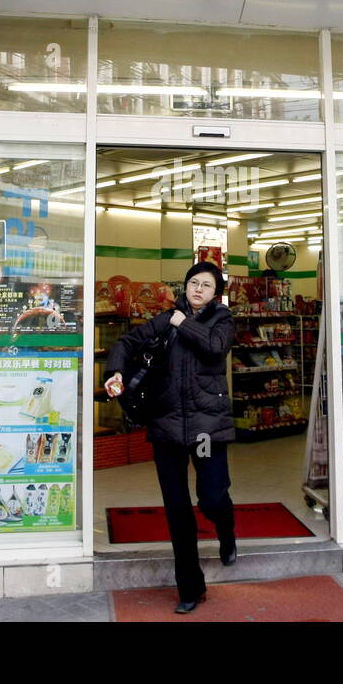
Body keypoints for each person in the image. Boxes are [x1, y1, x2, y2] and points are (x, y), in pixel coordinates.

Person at [104, 261, 236, 614]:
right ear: (186, 286)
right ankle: (190, 588)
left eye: (206, 285)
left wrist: (183, 322)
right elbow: (127, 342)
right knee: (178, 509)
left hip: (206, 428)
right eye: (194, 282)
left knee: (210, 495)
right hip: (166, 427)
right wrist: (114, 371)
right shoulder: (166, 318)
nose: (198, 289)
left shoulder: (222, 320)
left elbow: (213, 348)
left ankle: (226, 529)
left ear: (215, 292)